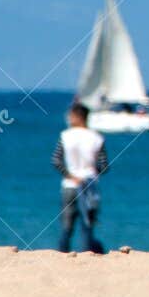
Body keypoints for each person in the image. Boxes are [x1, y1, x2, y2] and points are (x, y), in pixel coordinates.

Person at [52, 102, 108, 254]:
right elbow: (104, 166)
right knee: (88, 226)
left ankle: (62, 255)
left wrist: (71, 176)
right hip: (89, 185)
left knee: (66, 227)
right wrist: (90, 173)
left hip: (70, 185)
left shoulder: (65, 136)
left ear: (77, 117)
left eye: (70, 115)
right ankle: (88, 255)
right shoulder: (97, 138)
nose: (68, 118)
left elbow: (56, 160)